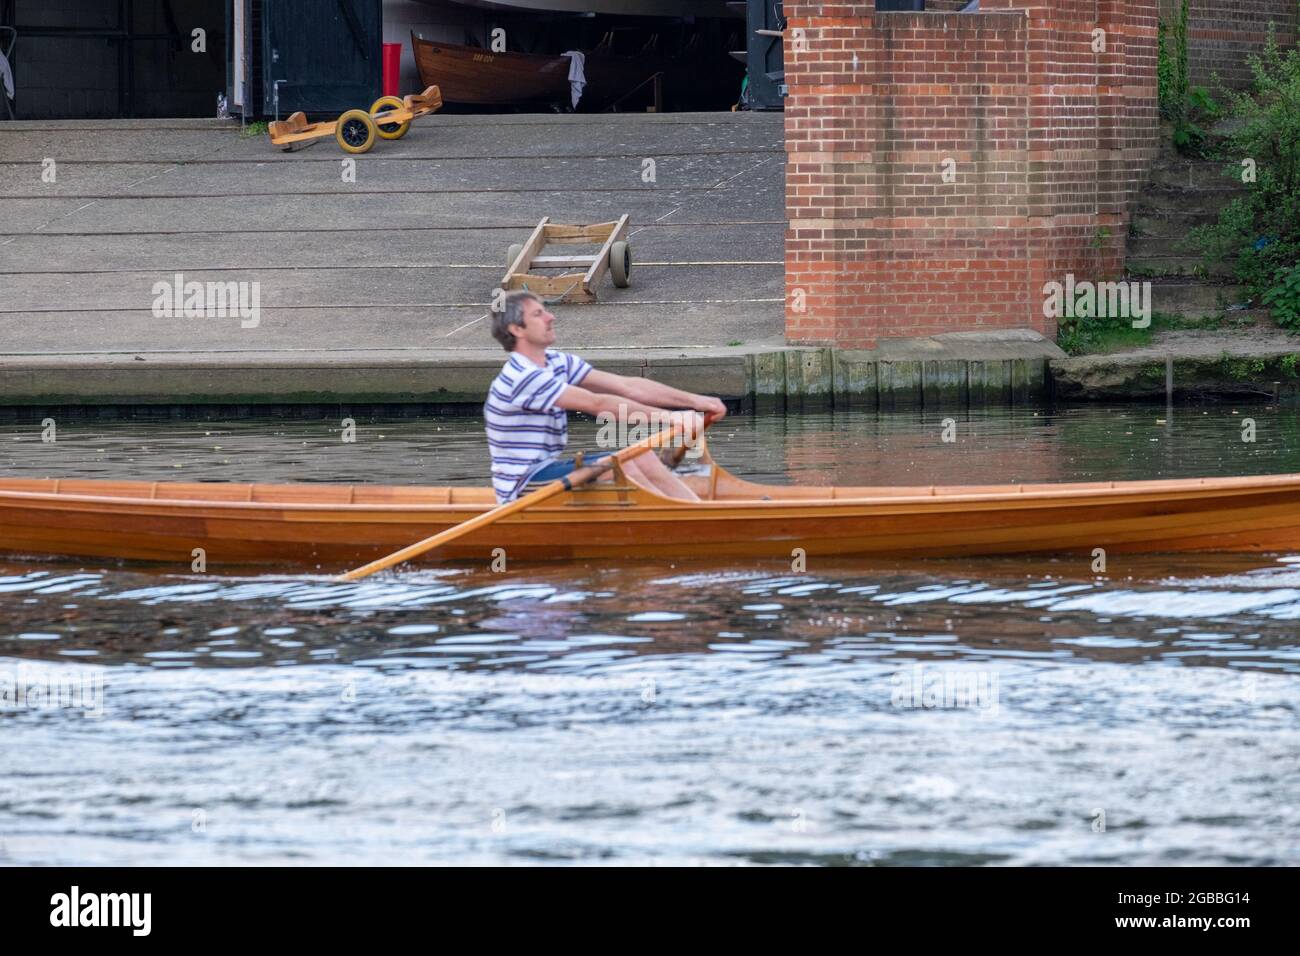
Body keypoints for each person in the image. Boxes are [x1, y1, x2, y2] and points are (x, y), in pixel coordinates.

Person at [485, 291, 726, 503]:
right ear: (516, 329)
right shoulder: (522, 377)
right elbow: (597, 404)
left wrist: (697, 402)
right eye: (538, 314)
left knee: (639, 456)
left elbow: (627, 386)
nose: (551, 317)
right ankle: (691, 516)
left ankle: (691, 511)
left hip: (548, 468)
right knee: (628, 462)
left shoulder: (557, 362)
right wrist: (672, 418)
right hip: (523, 485)